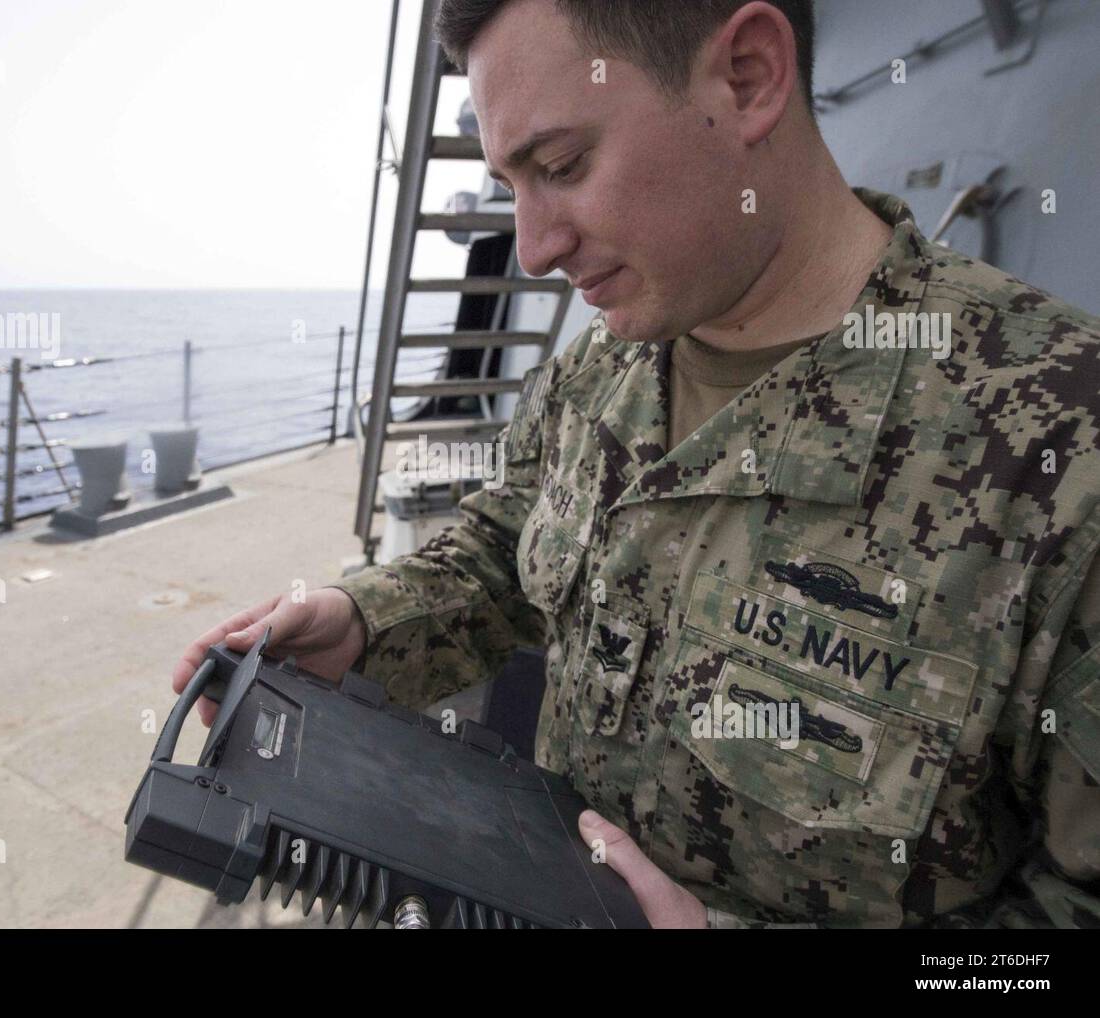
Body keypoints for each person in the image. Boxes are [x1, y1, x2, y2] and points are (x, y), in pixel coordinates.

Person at [174, 0, 1100, 928]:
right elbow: (506, 553)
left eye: (564, 167)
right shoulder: (598, 368)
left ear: (748, 76)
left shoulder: (1062, 453)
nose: (533, 248)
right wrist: (362, 621)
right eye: (511, 184)